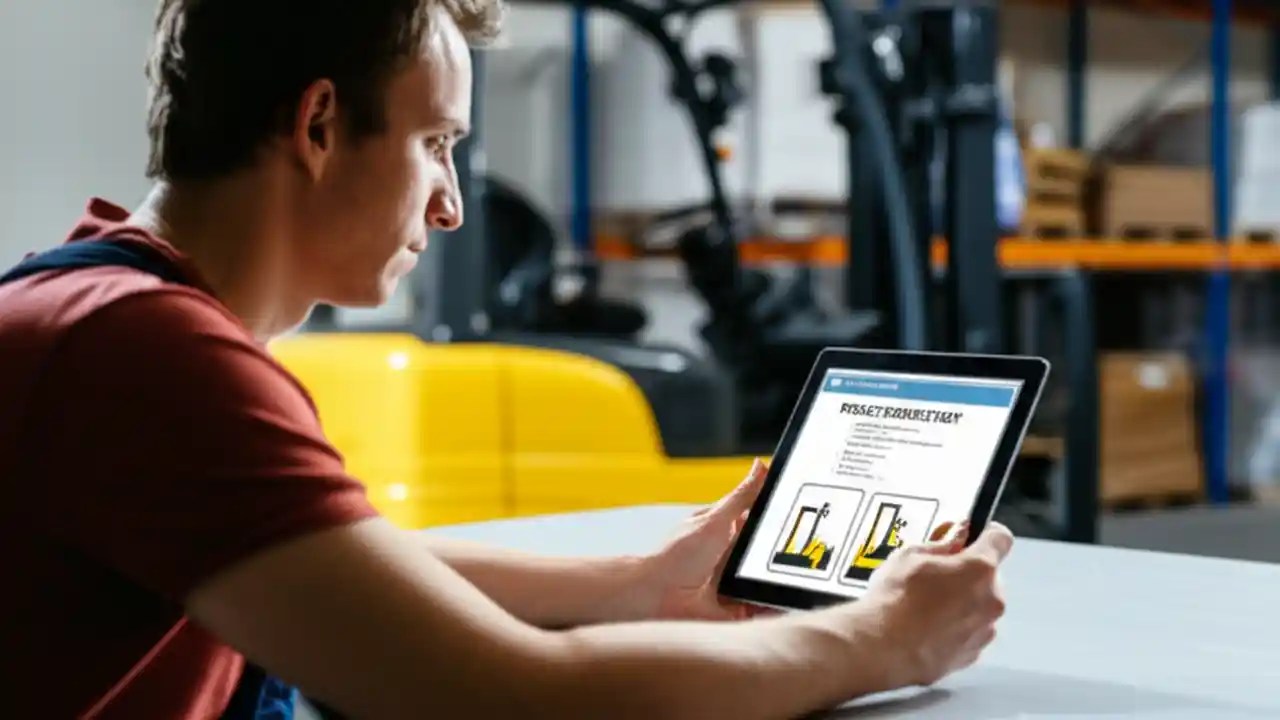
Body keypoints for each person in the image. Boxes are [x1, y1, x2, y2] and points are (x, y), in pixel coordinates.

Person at [0, 1, 1013, 718]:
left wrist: (630, 584)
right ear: (317, 125)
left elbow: (339, 579)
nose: (449, 204)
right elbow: (517, 697)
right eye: (435, 142)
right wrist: (877, 642)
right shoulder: (147, 357)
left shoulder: (82, 304)